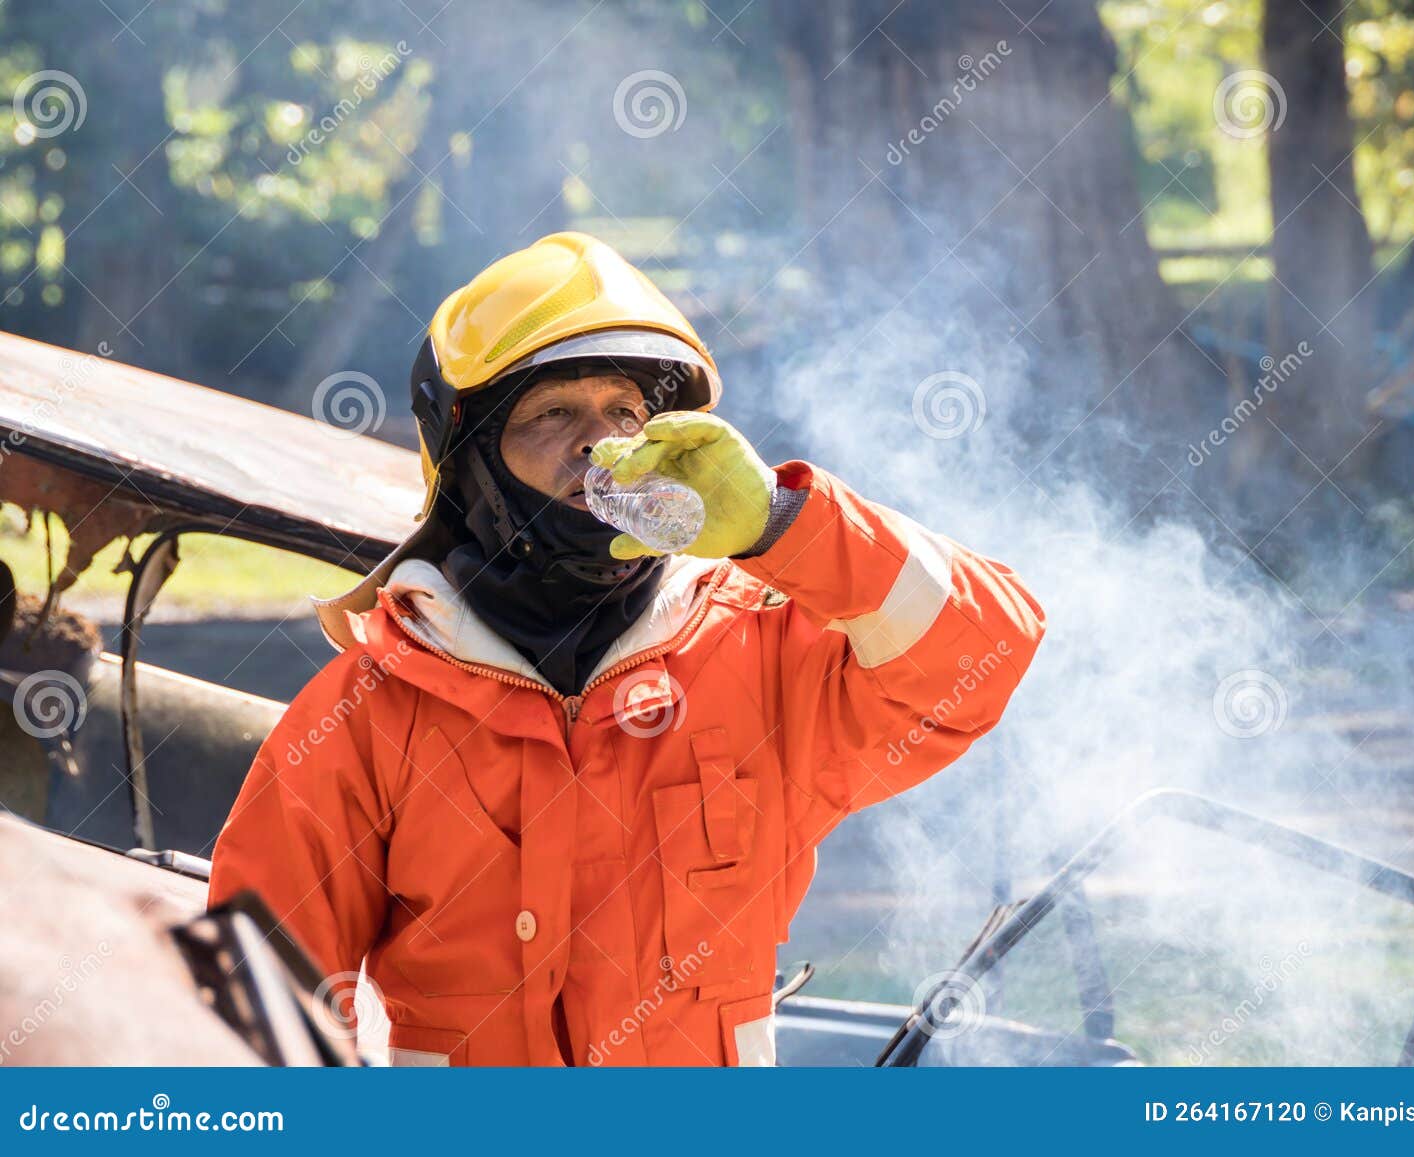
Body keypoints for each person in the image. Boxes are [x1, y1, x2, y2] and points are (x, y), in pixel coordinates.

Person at [208, 231, 1045, 1066]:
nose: (600, 446)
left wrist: (784, 526)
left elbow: (987, 652)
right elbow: (259, 1018)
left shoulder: (762, 657)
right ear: (467, 468)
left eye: (625, 414)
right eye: (552, 413)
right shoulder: (369, 712)